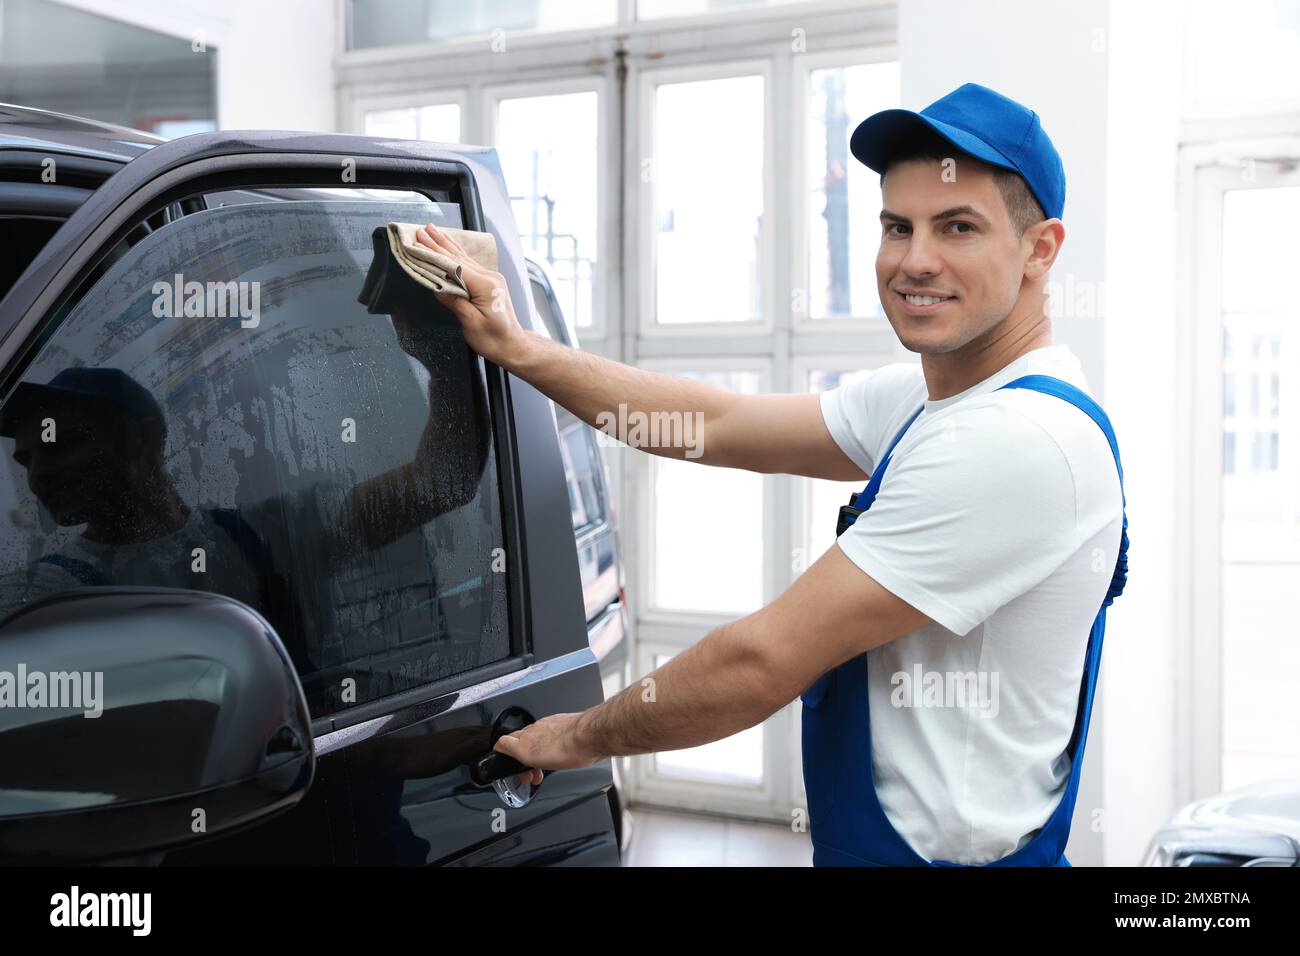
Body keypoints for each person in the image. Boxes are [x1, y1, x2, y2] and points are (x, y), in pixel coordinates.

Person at [419, 82, 1129, 866]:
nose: (914, 260)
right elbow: (712, 424)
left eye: (957, 227)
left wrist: (576, 735)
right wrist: (521, 349)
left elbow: (761, 659)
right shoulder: (938, 399)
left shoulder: (1017, 442)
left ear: (1041, 249)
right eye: (898, 226)